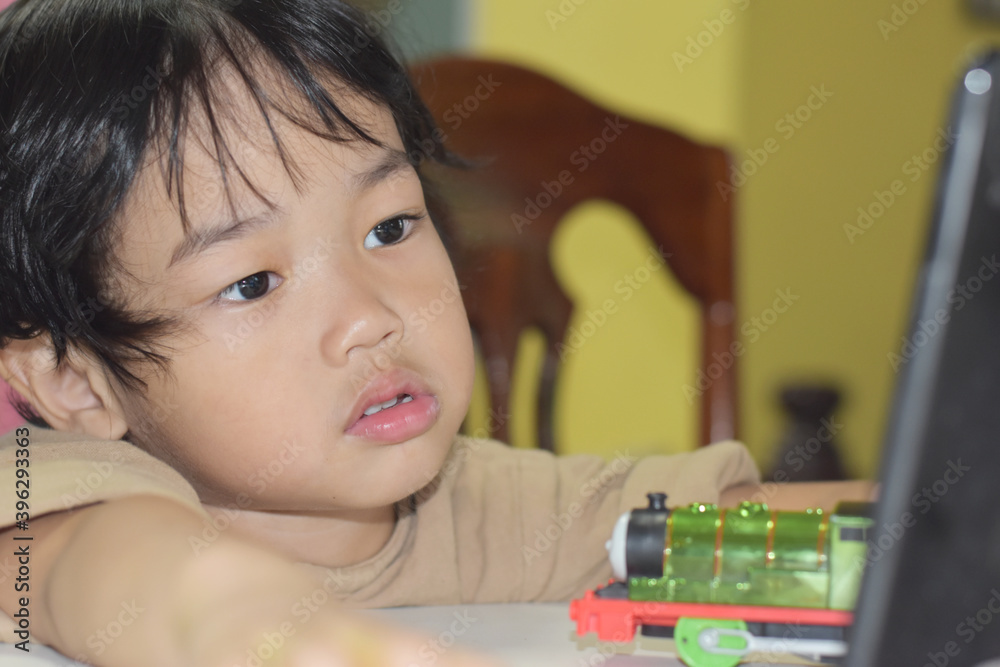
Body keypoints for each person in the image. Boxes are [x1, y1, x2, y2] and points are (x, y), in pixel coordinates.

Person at [0, 1, 873, 665]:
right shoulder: (64, 490)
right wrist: (269, 627)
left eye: (389, 227)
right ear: (75, 382)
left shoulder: (465, 499)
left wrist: (927, 525)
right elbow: (103, 566)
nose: (372, 317)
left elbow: (711, 533)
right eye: (253, 282)